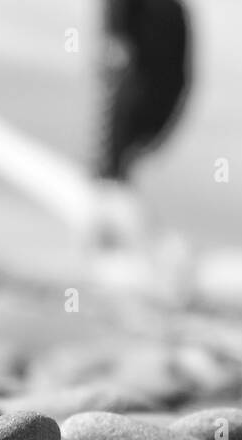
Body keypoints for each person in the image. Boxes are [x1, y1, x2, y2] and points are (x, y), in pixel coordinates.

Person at [88, 0, 193, 300]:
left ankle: (119, 239)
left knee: (112, 175)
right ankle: (117, 235)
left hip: (145, 96)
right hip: (150, 99)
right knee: (112, 173)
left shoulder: (167, 14)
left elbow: (177, 78)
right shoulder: (171, 14)